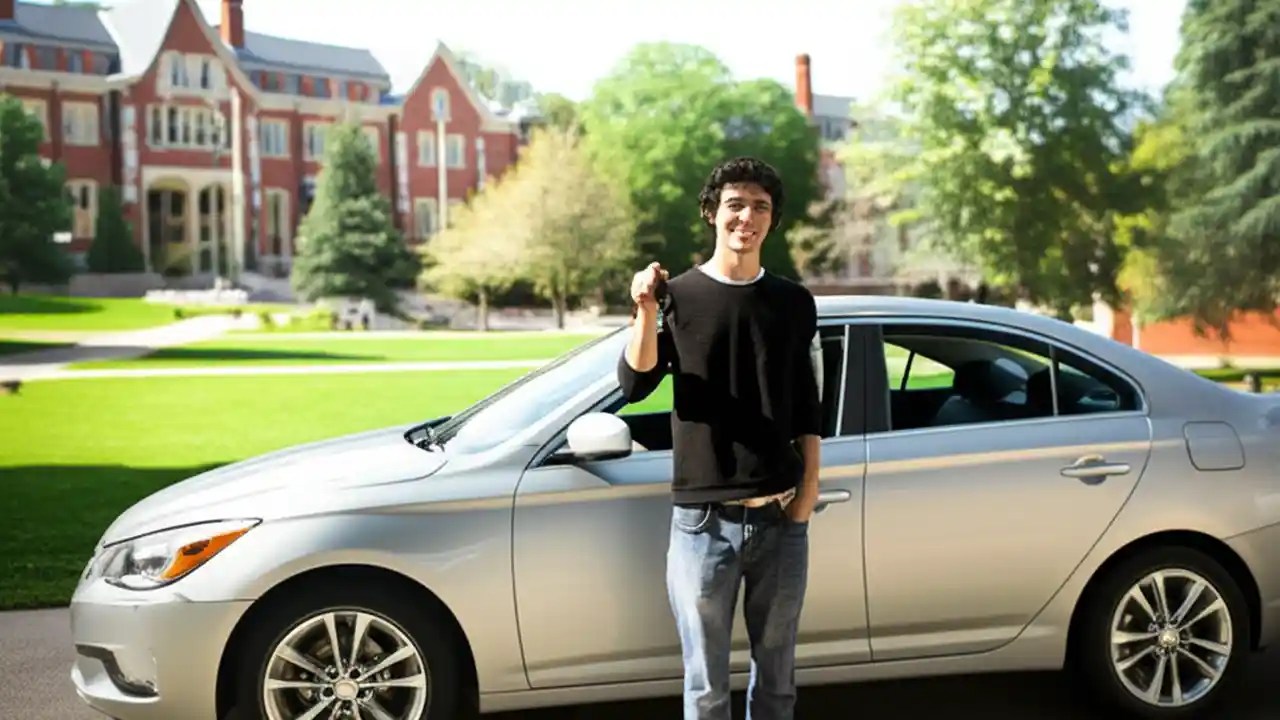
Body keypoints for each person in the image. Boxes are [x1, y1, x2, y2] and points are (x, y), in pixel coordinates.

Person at [617, 157, 822, 720]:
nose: (746, 218)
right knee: (706, 689)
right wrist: (645, 308)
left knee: (777, 685)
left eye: (760, 207)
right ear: (711, 213)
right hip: (702, 524)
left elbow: (807, 405)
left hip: (780, 517)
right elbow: (635, 383)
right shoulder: (677, 297)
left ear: (772, 220)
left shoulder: (793, 302)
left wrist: (806, 497)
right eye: (735, 205)